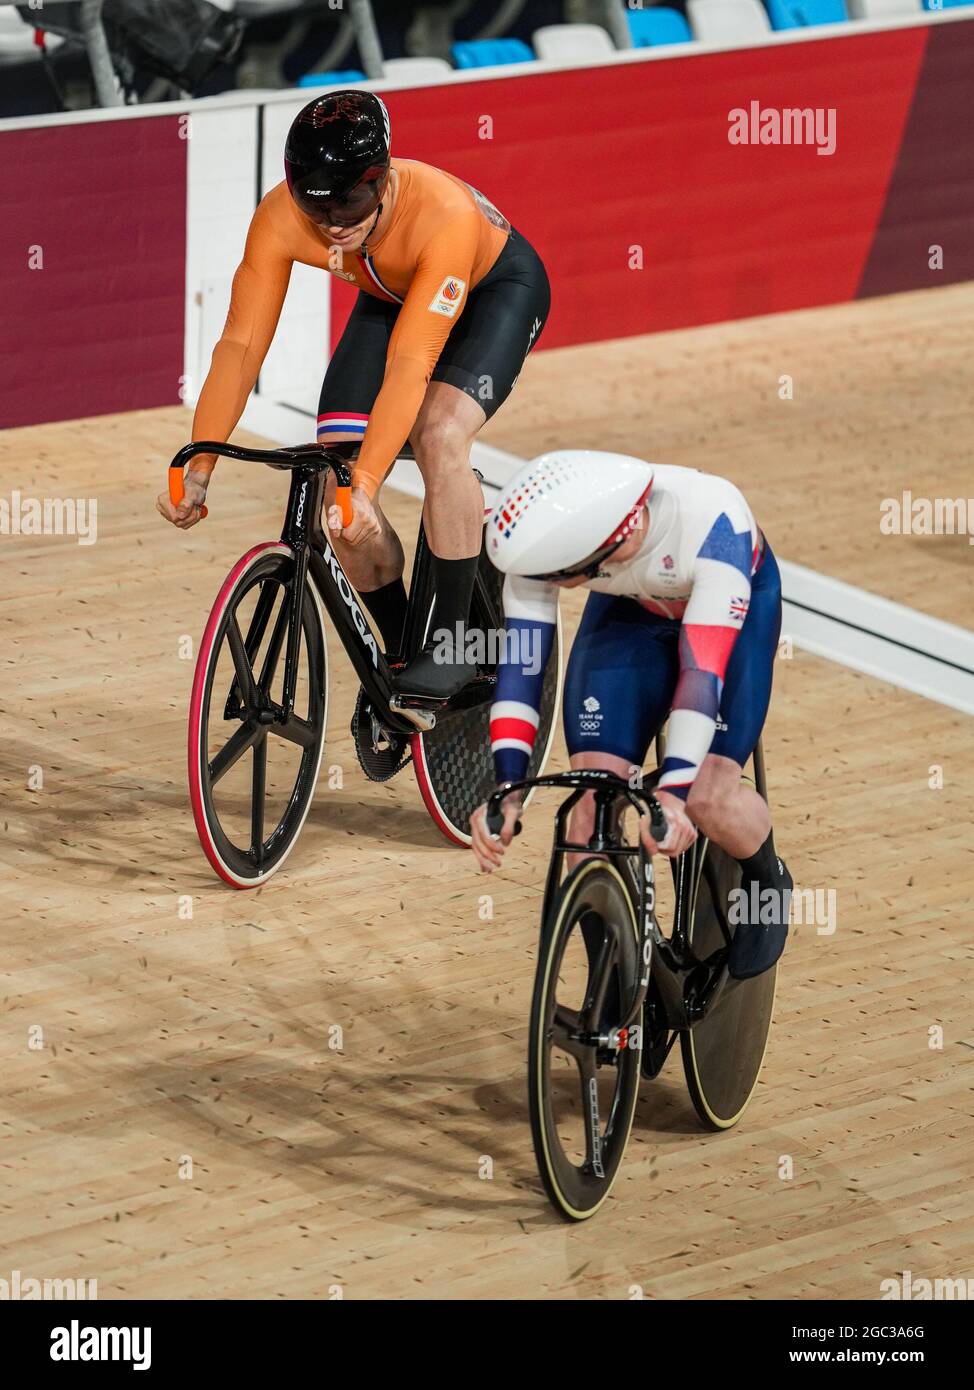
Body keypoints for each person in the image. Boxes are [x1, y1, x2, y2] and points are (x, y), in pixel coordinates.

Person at [156, 90, 551, 698]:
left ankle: (452, 645)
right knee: (336, 482)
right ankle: (399, 655)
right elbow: (239, 347)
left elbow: (409, 364)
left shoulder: (443, 213)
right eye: (319, 209)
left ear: (384, 176)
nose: (337, 221)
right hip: (392, 292)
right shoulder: (282, 217)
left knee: (439, 431)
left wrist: (368, 488)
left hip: (494, 289)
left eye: (353, 200)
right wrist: (200, 461)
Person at [469, 449, 792, 980]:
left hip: (730, 609)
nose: (548, 584)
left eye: (558, 578)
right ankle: (612, 980)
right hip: (632, 614)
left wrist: (677, 793)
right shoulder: (550, 541)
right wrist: (509, 787)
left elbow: (700, 677)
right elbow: (521, 674)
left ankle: (767, 875)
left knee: (709, 796)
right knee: (592, 801)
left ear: (594, 558)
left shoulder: (715, 523)